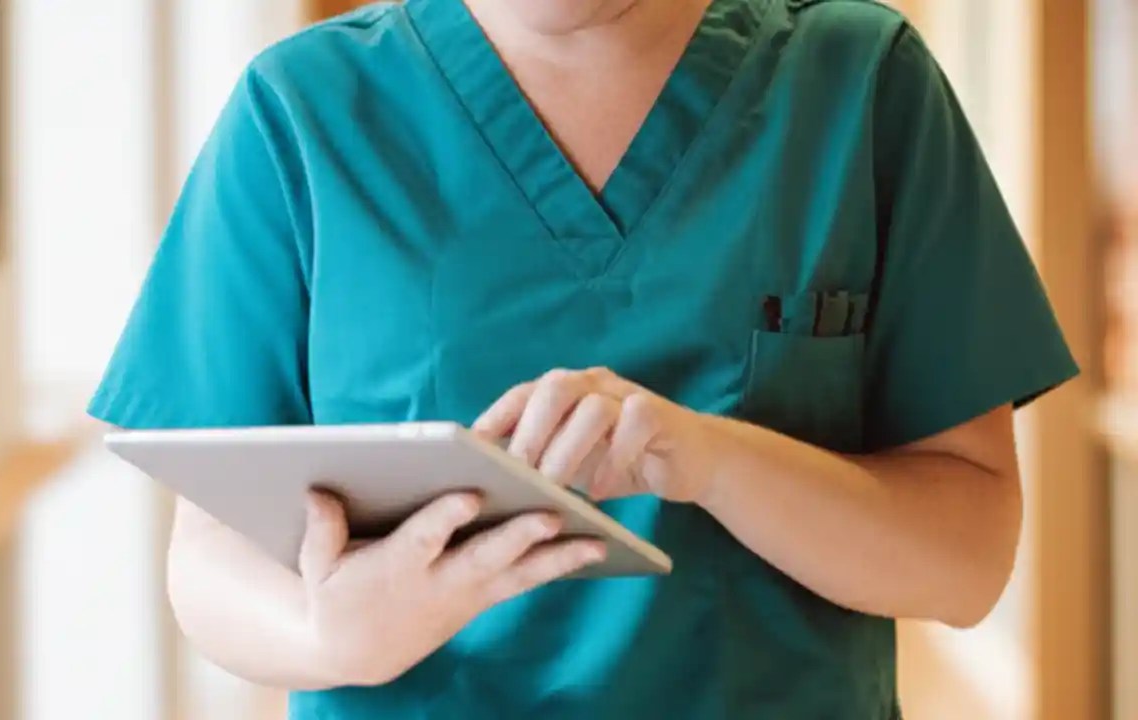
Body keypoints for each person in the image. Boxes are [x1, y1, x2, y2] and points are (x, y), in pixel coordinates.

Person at [88, 0, 1079, 717]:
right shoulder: (305, 110)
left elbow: (966, 559)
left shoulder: (858, 85)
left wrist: (713, 461)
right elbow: (207, 557)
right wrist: (327, 635)